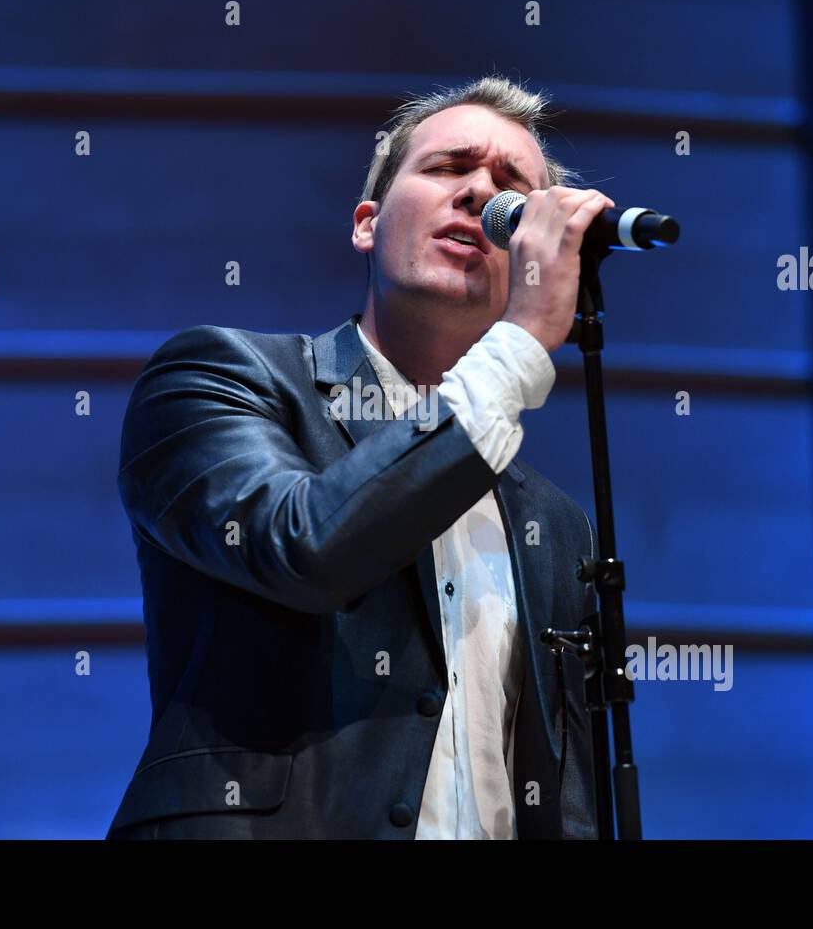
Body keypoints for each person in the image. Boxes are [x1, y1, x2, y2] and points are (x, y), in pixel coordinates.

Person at [107, 75, 615, 839]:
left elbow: (564, 792)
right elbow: (304, 548)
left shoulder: (554, 523)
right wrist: (518, 346)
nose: (480, 192)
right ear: (367, 225)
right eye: (448, 167)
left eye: (514, 192)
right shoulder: (219, 377)